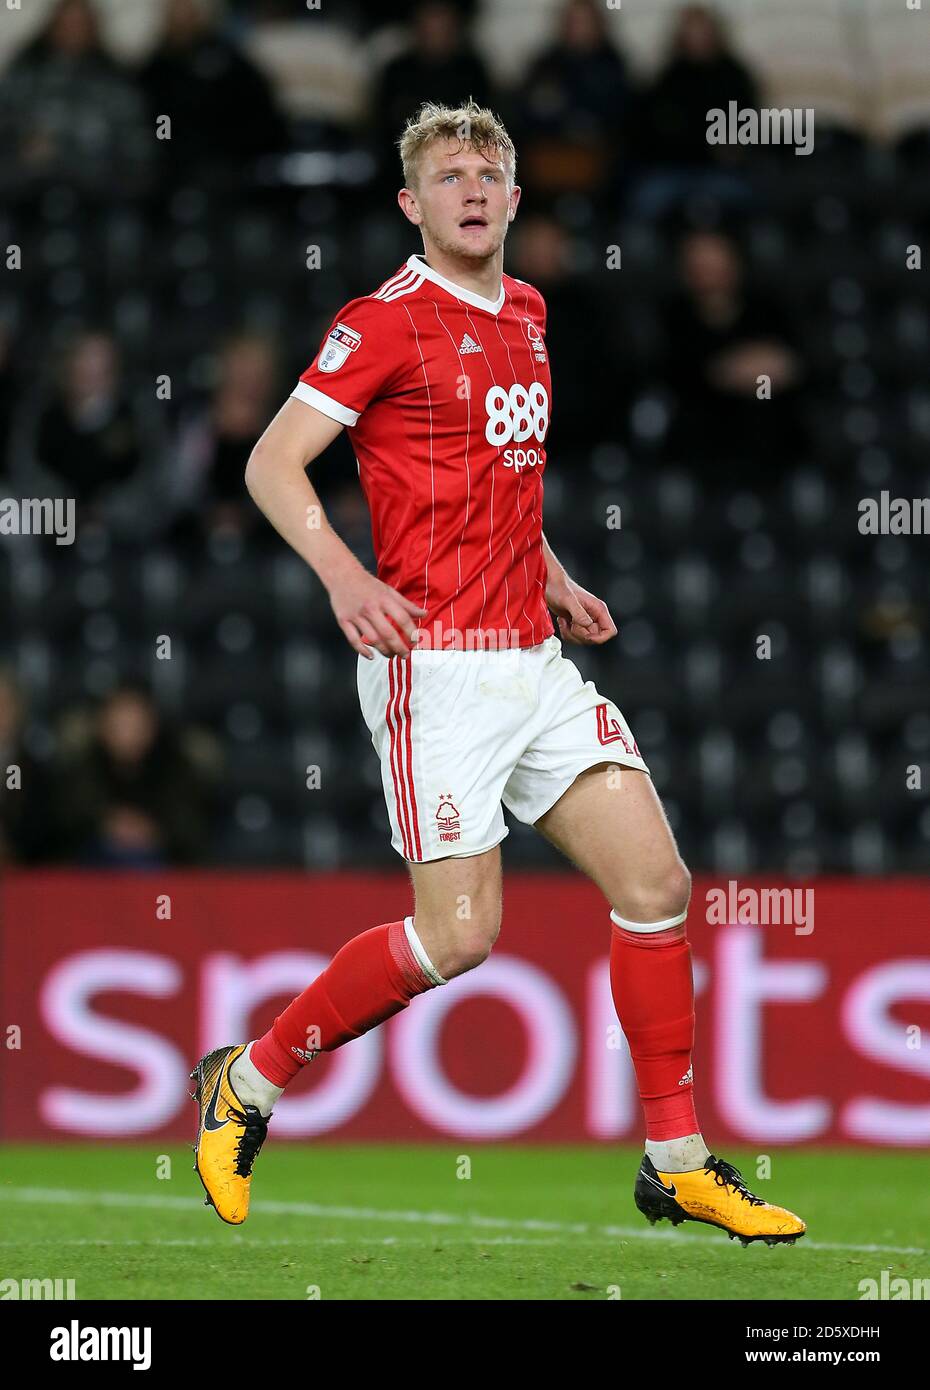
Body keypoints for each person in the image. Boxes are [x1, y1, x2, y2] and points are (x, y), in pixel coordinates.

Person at [190, 100, 806, 1248]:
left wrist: (556, 572)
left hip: (535, 656)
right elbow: (273, 462)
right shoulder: (381, 323)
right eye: (448, 173)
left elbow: (498, 485)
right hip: (439, 671)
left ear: (516, 200)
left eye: (489, 170)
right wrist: (340, 575)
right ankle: (251, 1080)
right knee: (459, 939)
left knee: (657, 886)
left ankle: (674, 1159)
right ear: (411, 205)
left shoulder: (526, 311)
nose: (471, 187)